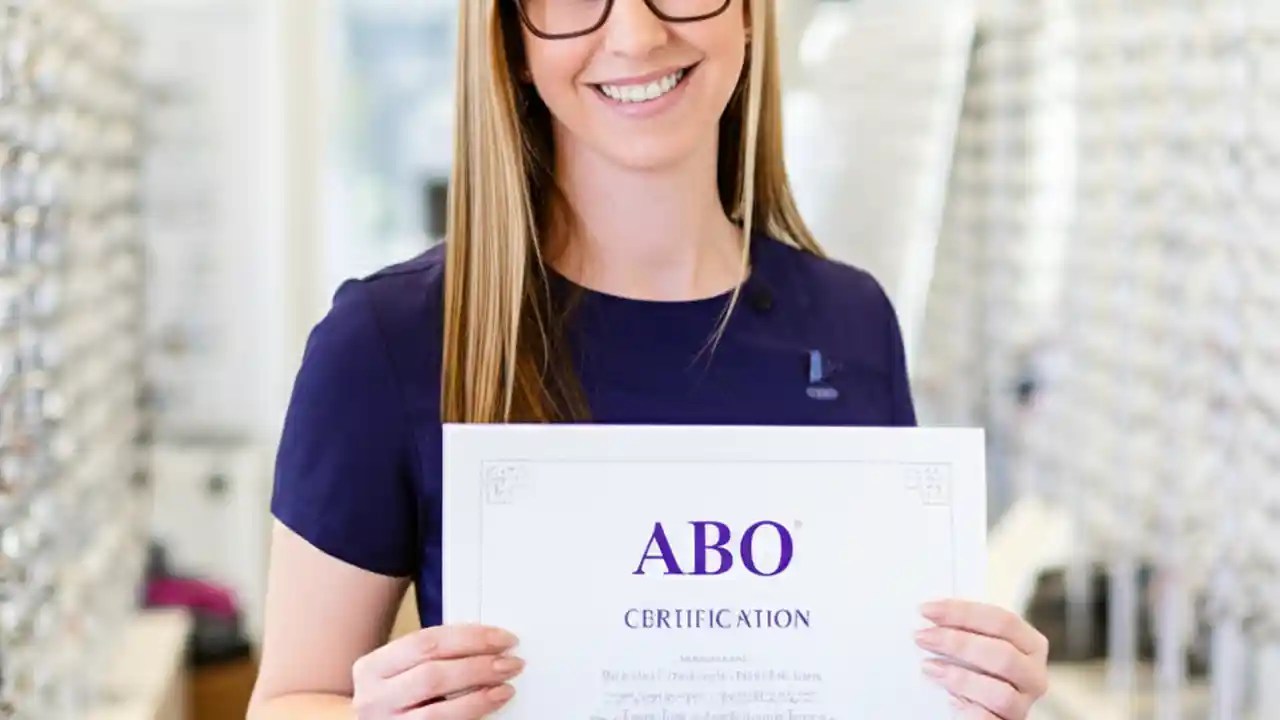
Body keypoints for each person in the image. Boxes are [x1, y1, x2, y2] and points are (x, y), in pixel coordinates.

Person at [248, 1, 1051, 718]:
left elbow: (876, 679)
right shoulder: (390, 338)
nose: (634, 32)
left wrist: (968, 690)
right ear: (509, 32)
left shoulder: (852, 323)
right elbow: (286, 700)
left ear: (748, 13)